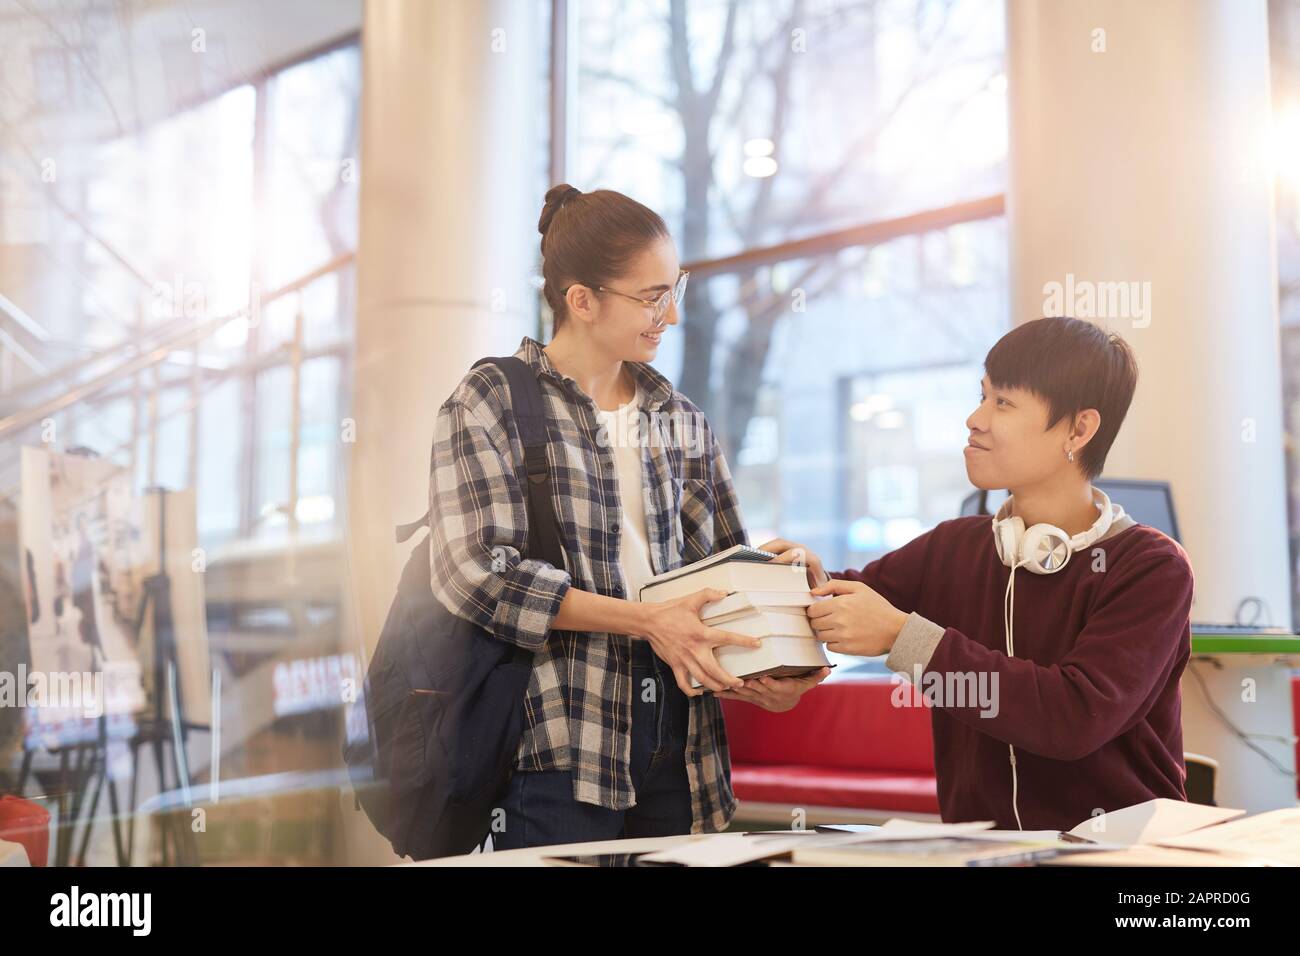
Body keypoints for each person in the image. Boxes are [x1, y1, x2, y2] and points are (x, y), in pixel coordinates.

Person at [428, 184, 830, 850]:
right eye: (651, 297)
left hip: (681, 737)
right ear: (581, 300)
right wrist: (646, 620)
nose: (669, 317)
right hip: (561, 736)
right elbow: (477, 573)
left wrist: (778, 635)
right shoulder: (492, 399)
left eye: (676, 290)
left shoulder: (680, 419)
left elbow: (721, 568)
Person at [763, 317, 1194, 832]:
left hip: (1123, 858)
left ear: (1079, 429)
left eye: (1003, 403)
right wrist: (792, 586)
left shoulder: (1149, 567)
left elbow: (1074, 717)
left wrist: (905, 637)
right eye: (982, 396)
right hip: (981, 853)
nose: (975, 418)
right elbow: (842, 599)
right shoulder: (955, 546)